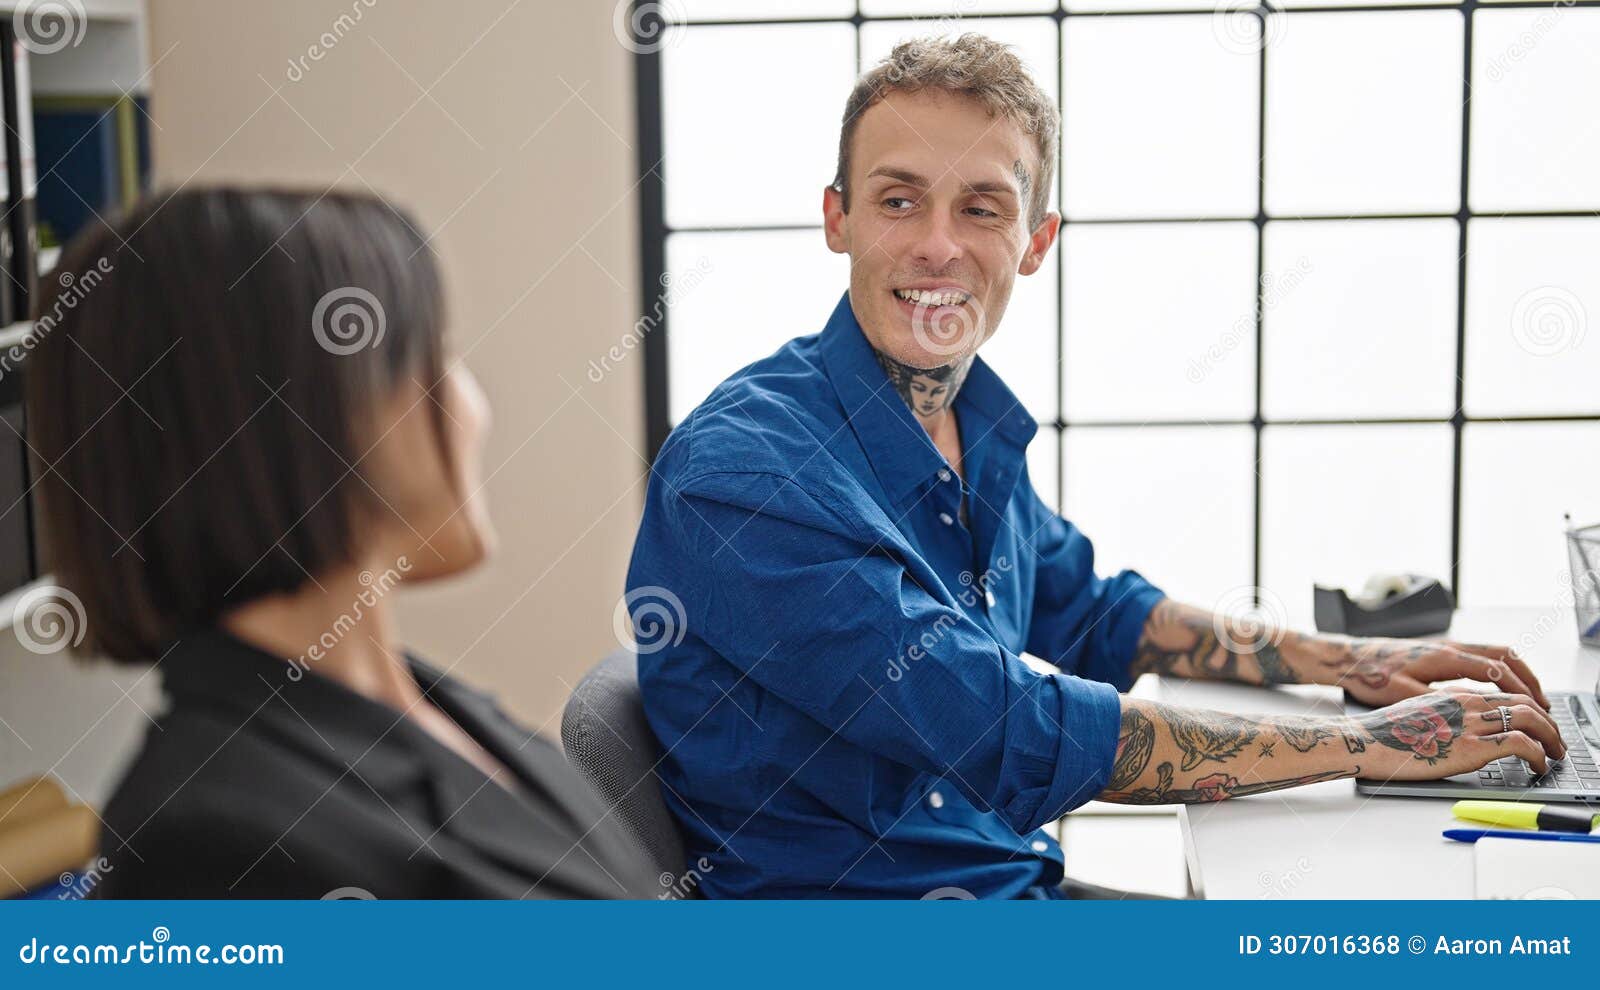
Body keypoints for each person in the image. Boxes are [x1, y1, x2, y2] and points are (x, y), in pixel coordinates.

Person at [625, 34, 1567, 899]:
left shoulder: (964, 420)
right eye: (898, 199)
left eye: (982, 207)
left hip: (1008, 888)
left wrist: (1350, 661)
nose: (937, 245)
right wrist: (1366, 743)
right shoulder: (748, 475)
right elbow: (1012, 729)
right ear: (839, 218)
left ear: (1036, 240)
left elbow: (1093, 609)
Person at [28, 187, 657, 898]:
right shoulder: (211, 846)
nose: (473, 407)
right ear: (308, 418)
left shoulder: (433, 707)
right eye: (434, 357)